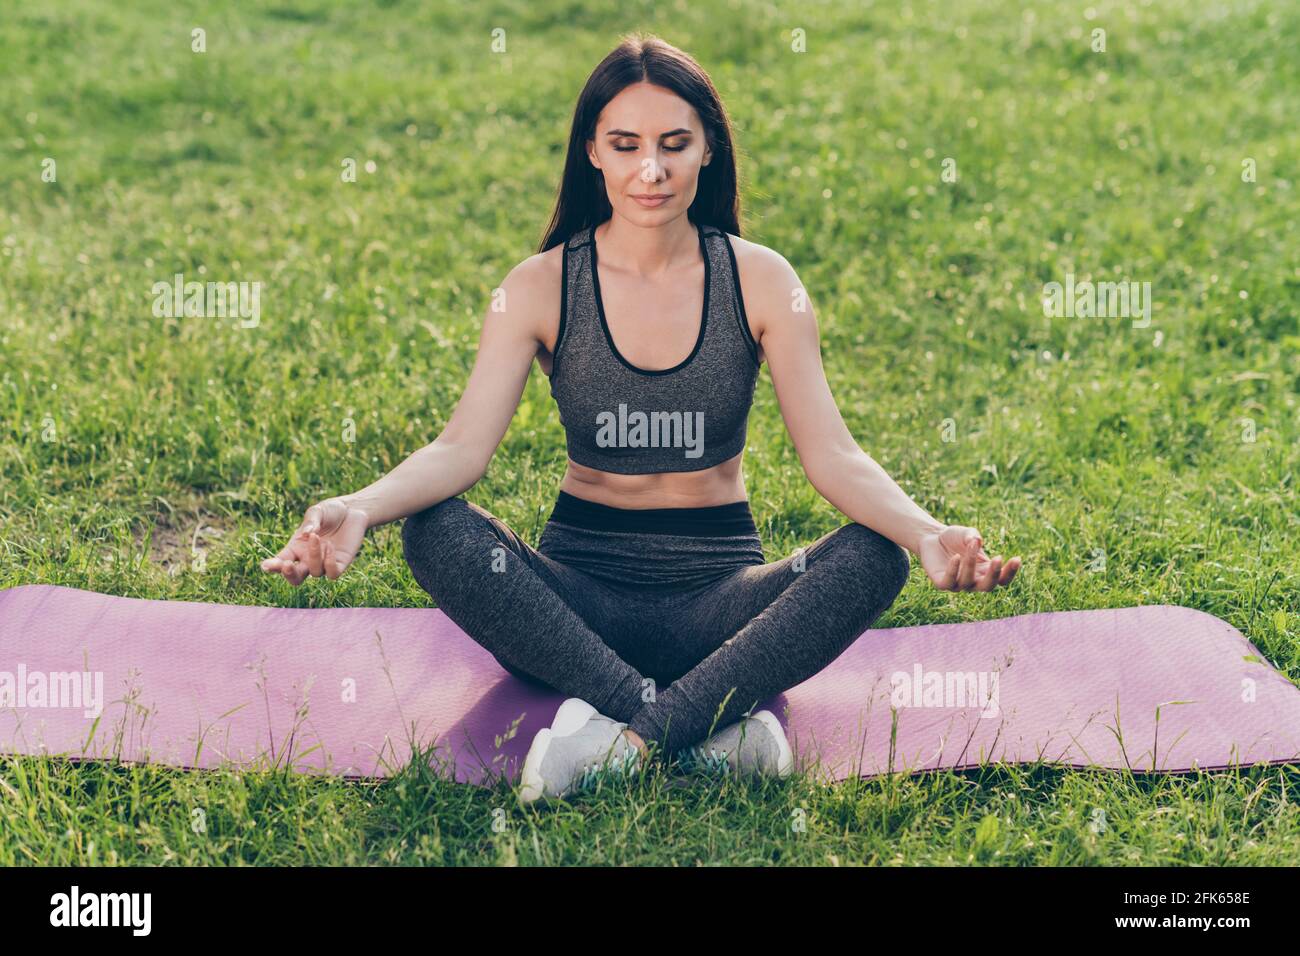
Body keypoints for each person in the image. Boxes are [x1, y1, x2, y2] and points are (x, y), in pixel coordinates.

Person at [260, 33, 1020, 805]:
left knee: (875, 556)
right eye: (625, 145)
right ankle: (706, 731)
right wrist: (358, 509)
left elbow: (833, 457)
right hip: (572, 611)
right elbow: (460, 449)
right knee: (434, 528)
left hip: (719, 609)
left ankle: (623, 741)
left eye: (673, 144)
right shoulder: (539, 286)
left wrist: (925, 533)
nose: (650, 170)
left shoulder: (761, 281)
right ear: (593, 150)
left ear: (709, 150)